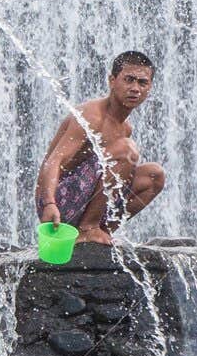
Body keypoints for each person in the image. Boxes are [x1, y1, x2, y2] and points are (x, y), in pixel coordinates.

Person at [35, 49, 167, 244]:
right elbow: (54, 161)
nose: (135, 88)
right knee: (126, 150)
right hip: (59, 203)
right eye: (128, 79)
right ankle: (88, 228)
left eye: (142, 82)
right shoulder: (91, 116)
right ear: (112, 81)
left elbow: (114, 178)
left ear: (150, 87)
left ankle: (100, 231)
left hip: (85, 201)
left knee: (154, 176)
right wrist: (48, 203)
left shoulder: (125, 128)